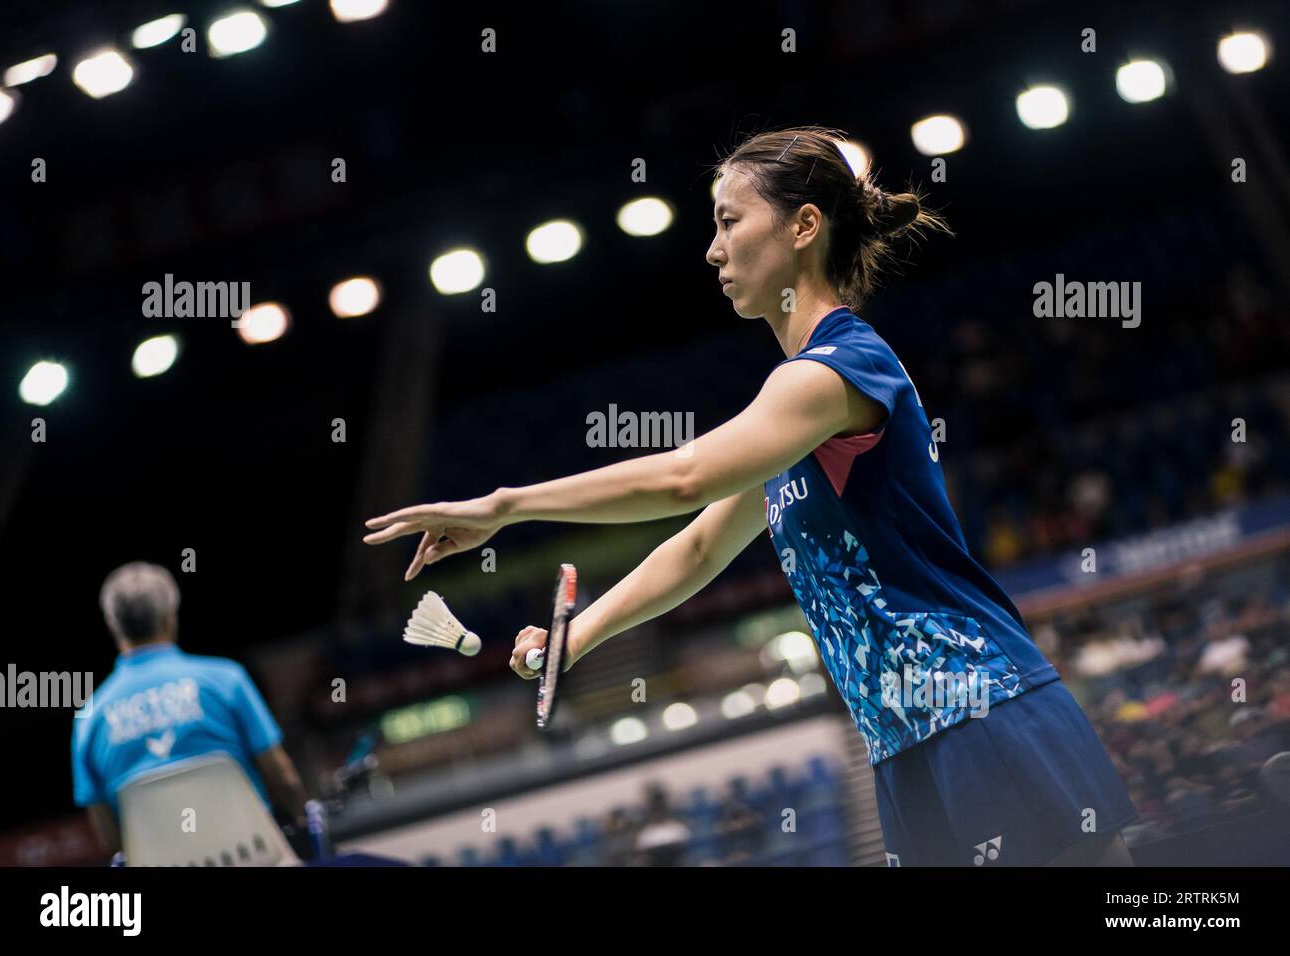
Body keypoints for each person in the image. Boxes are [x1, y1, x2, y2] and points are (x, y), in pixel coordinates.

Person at [364, 126, 1137, 866]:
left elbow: (684, 477)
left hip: (977, 703)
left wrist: (504, 506)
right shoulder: (789, 417)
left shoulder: (837, 370)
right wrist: (578, 635)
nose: (712, 248)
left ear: (804, 226)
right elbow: (698, 544)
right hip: (900, 738)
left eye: (730, 221)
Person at [72, 561, 309, 858]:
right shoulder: (226, 680)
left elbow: (109, 837)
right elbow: (285, 781)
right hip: (255, 859)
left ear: (112, 625)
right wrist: (301, 821)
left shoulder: (89, 718)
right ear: (170, 616)